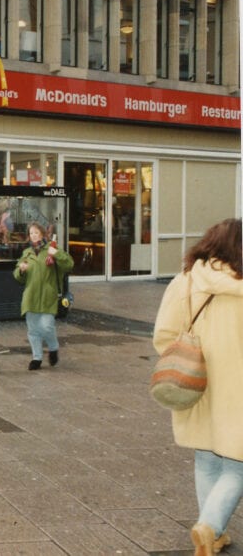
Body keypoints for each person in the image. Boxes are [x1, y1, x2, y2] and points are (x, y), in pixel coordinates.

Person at [152, 218, 243, 555]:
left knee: (206, 459)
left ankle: (212, 531)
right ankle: (209, 526)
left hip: (196, 385)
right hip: (239, 391)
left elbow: (163, 335)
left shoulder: (185, 281)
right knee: (237, 463)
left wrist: (187, 360)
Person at [13, 221, 73, 370]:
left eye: (36, 233)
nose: (33, 236)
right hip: (31, 297)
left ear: (43, 234)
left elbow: (69, 265)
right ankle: (37, 358)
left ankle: (53, 348)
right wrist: (21, 270)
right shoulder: (27, 253)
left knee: (46, 326)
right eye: (31, 233)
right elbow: (17, 276)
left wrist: (57, 254)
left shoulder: (52, 249)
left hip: (48, 296)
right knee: (33, 330)